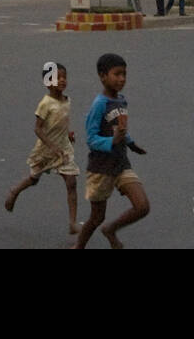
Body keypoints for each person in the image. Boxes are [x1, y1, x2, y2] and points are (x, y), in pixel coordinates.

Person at [75, 53, 149, 249]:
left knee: (142, 206)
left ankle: (111, 229)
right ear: (102, 76)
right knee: (96, 217)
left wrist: (131, 144)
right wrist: (112, 141)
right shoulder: (99, 104)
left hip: (121, 164)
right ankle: (78, 246)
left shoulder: (122, 101)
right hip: (100, 168)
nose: (122, 79)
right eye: (116, 74)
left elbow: (121, 129)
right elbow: (91, 139)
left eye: (124, 74)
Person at [5, 62, 80, 235]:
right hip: (46, 149)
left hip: (63, 149)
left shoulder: (67, 100)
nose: (62, 81)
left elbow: (61, 121)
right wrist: (51, 146)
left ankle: (73, 222)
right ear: (47, 83)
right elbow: (38, 128)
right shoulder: (45, 103)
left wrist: (68, 135)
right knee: (34, 178)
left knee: (71, 182)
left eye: (64, 77)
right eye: (57, 78)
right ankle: (14, 191)